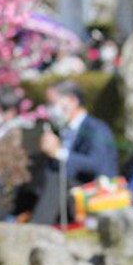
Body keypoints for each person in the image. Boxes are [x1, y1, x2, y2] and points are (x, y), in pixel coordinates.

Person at [30, 80, 118, 225]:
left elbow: (96, 164)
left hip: (97, 189)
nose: (49, 109)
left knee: (57, 181)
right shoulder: (61, 128)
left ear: (72, 100)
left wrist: (58, 153)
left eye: (52, 103)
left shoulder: (96, 129)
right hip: (68, 187)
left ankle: (37, 229)